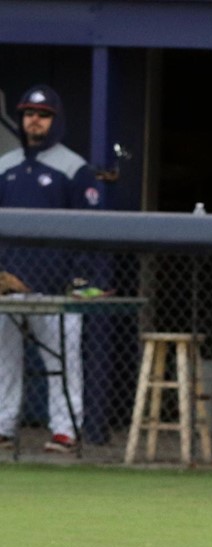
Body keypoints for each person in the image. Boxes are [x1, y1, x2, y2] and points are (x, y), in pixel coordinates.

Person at [0, 85, 104, 453]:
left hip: (56, 286)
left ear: (55, 120)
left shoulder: (74, 168)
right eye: (29, 114)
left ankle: (65, 430)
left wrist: (80, 279)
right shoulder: (5, 166)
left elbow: (90, 231)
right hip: (9, 286)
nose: (35, 121)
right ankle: (3, 426)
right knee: (3, 360)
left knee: (64, 360)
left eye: (43, 115)